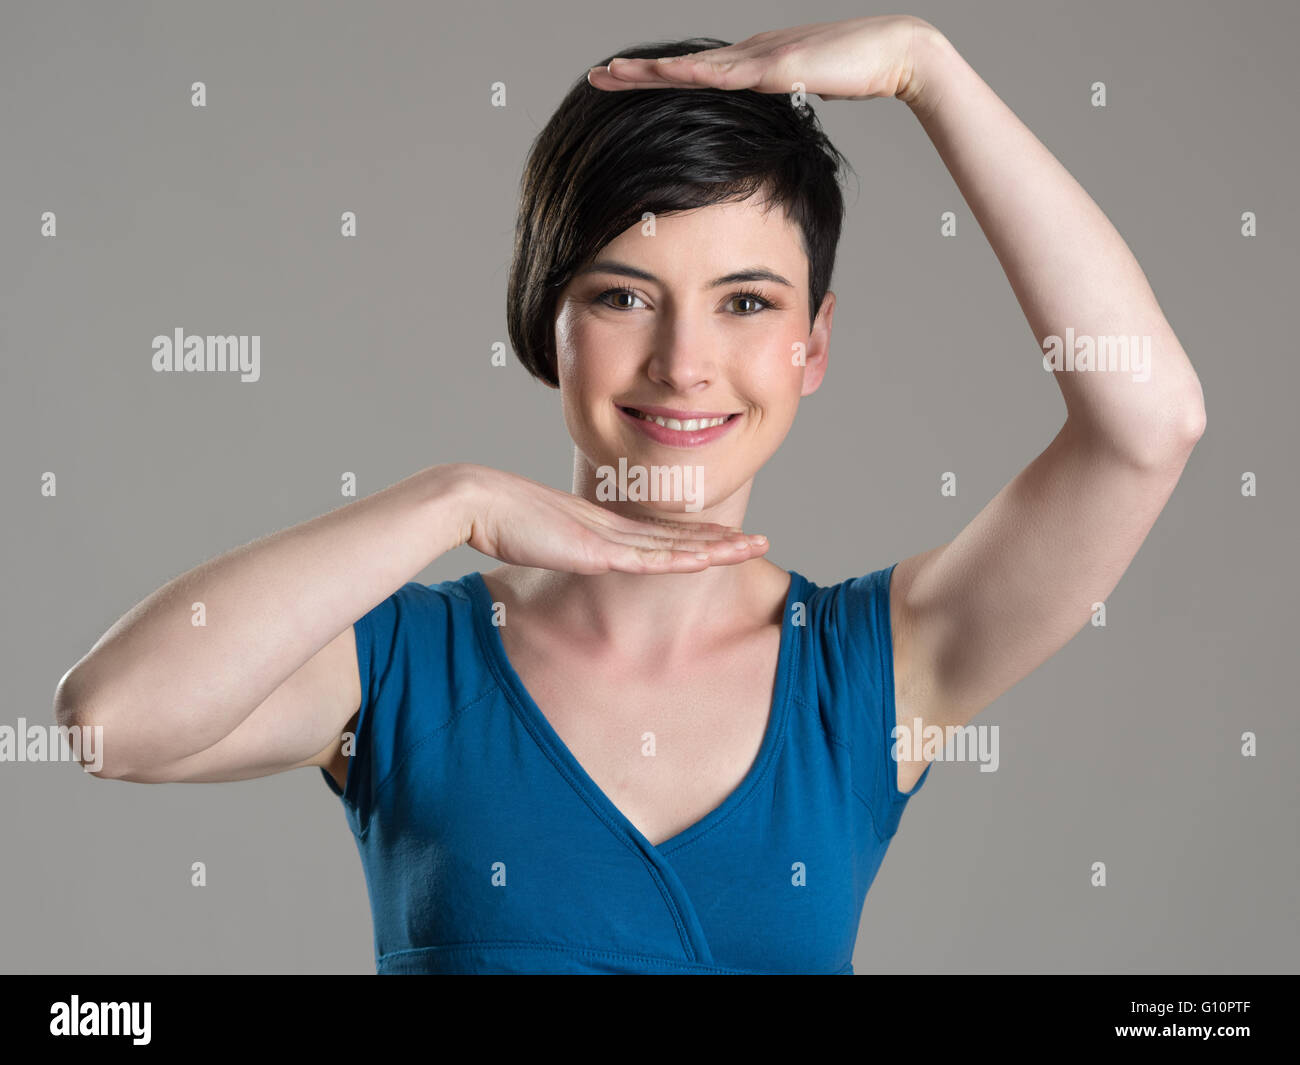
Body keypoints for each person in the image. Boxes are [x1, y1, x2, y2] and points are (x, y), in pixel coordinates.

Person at [53, 15, 1206, 974]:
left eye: (748, 303)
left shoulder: (874, 669)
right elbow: (109, 723)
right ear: (543, 325)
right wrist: (443, 501)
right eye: (622, 296)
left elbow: (1147, 425)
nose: (683, 362)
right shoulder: (397, 666)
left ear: (814, 344)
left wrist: (927, 69)